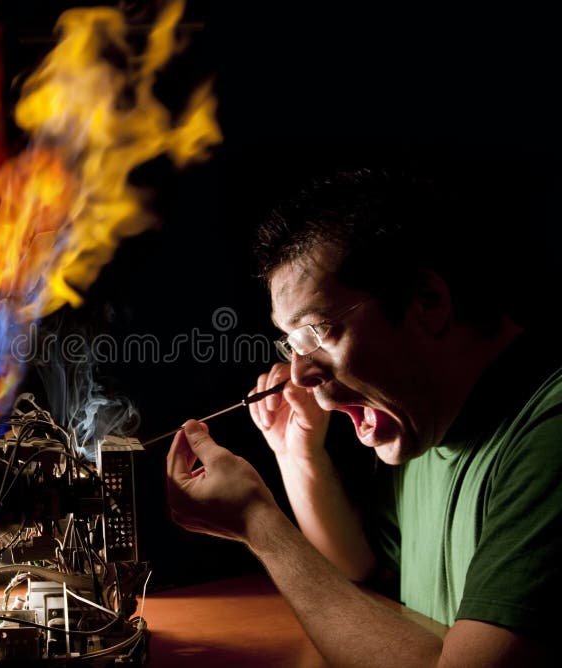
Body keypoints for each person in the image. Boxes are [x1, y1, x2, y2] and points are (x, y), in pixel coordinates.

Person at [166, 165, 562, 666]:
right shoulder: (425, 420)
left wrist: (258, 524)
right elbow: (352, 573)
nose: (299, 373)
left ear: (427, 302)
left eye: (317, 332)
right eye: (290, 343)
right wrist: (297, 456)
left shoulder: (548, 437)